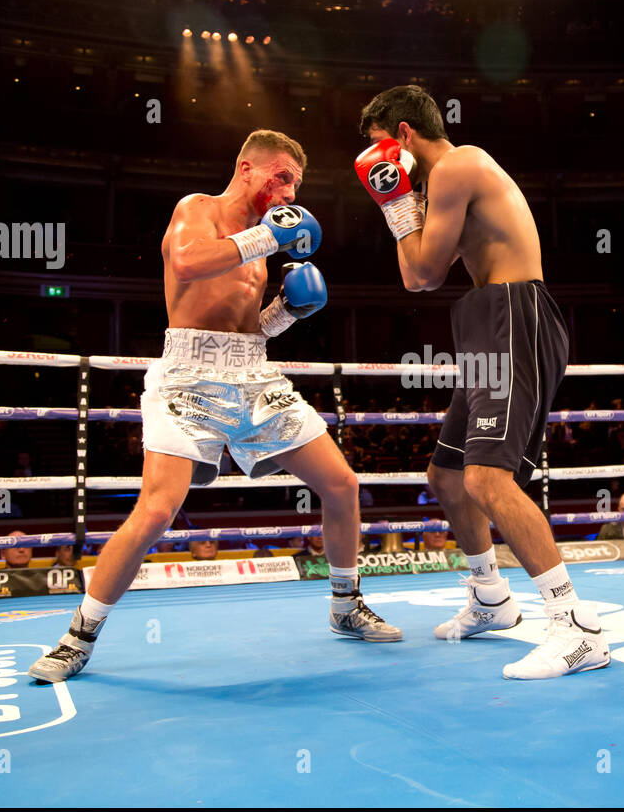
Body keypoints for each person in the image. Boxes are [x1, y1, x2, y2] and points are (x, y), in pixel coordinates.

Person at [30, 130, 400, 684]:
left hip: (252, 373)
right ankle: (77, 637)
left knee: (342, 485)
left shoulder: (264, 240)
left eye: (295, 184)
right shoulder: (196, 211)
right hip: (187, 380)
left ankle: (345, 606)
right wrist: (264, 238)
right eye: (280, 177)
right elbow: (185, 265)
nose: (287, 191)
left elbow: (249, 327)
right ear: (247, 168)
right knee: (156, 511)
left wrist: (289, 313)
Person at [355, 85, 608, 679]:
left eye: (380, 146)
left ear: (404, 136)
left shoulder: (459, 164)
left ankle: (576, 627)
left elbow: (420, 272)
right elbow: (419, 278)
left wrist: (394, 203)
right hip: (486, 319)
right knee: (445, 476)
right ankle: (491, 597)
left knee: (488, 478)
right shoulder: (440, 179)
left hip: (514, 315)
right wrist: (398, 202)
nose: (379, 160)